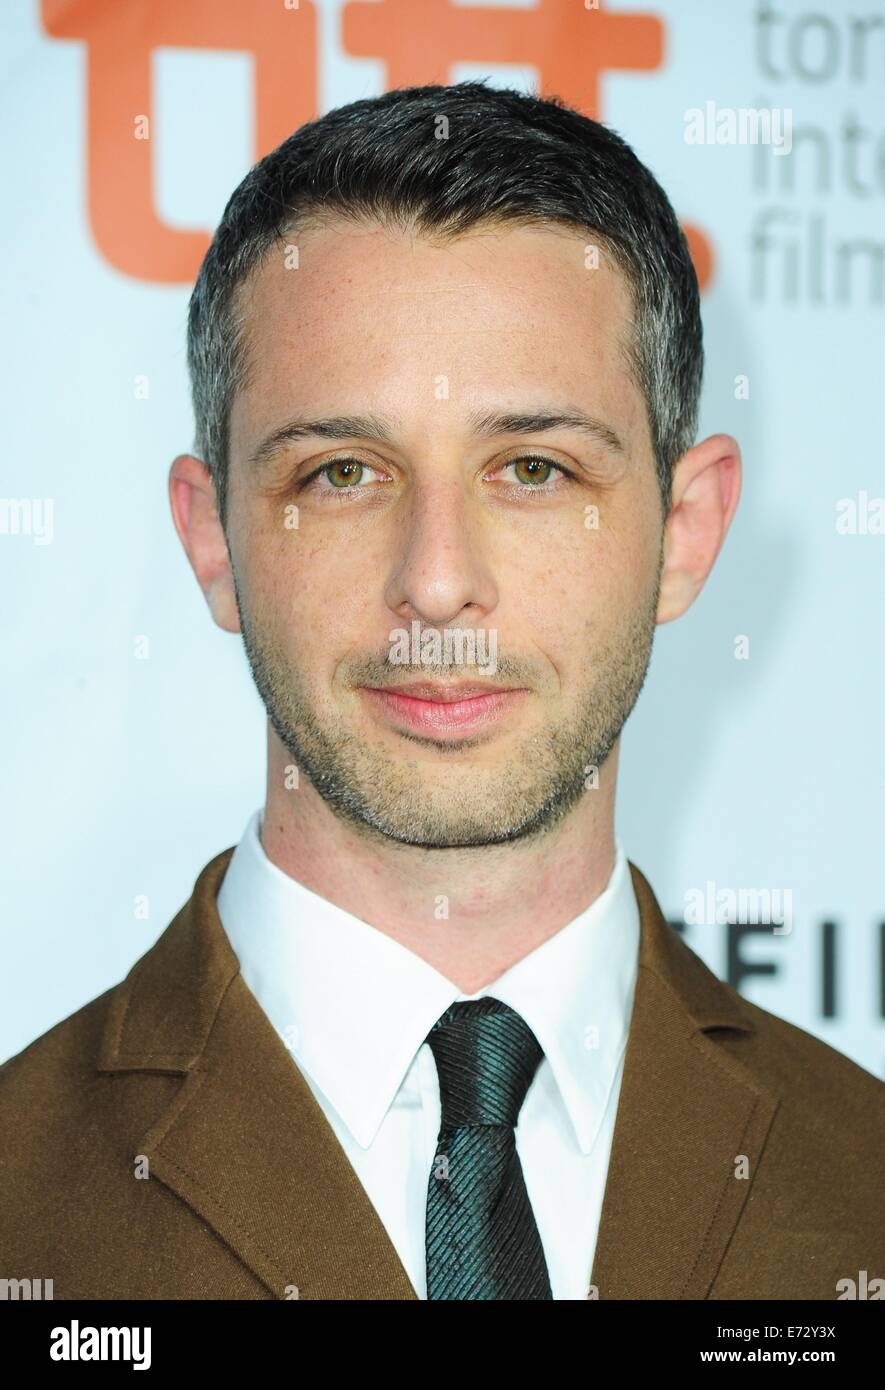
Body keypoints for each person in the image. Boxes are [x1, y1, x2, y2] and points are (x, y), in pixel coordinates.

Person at [1, 81, 881, 1301]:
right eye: (345, 471)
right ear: (213, 542)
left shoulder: (866, 1192)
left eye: (533, 467)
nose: (438, 583)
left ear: (685, 531)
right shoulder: (15, 1200)